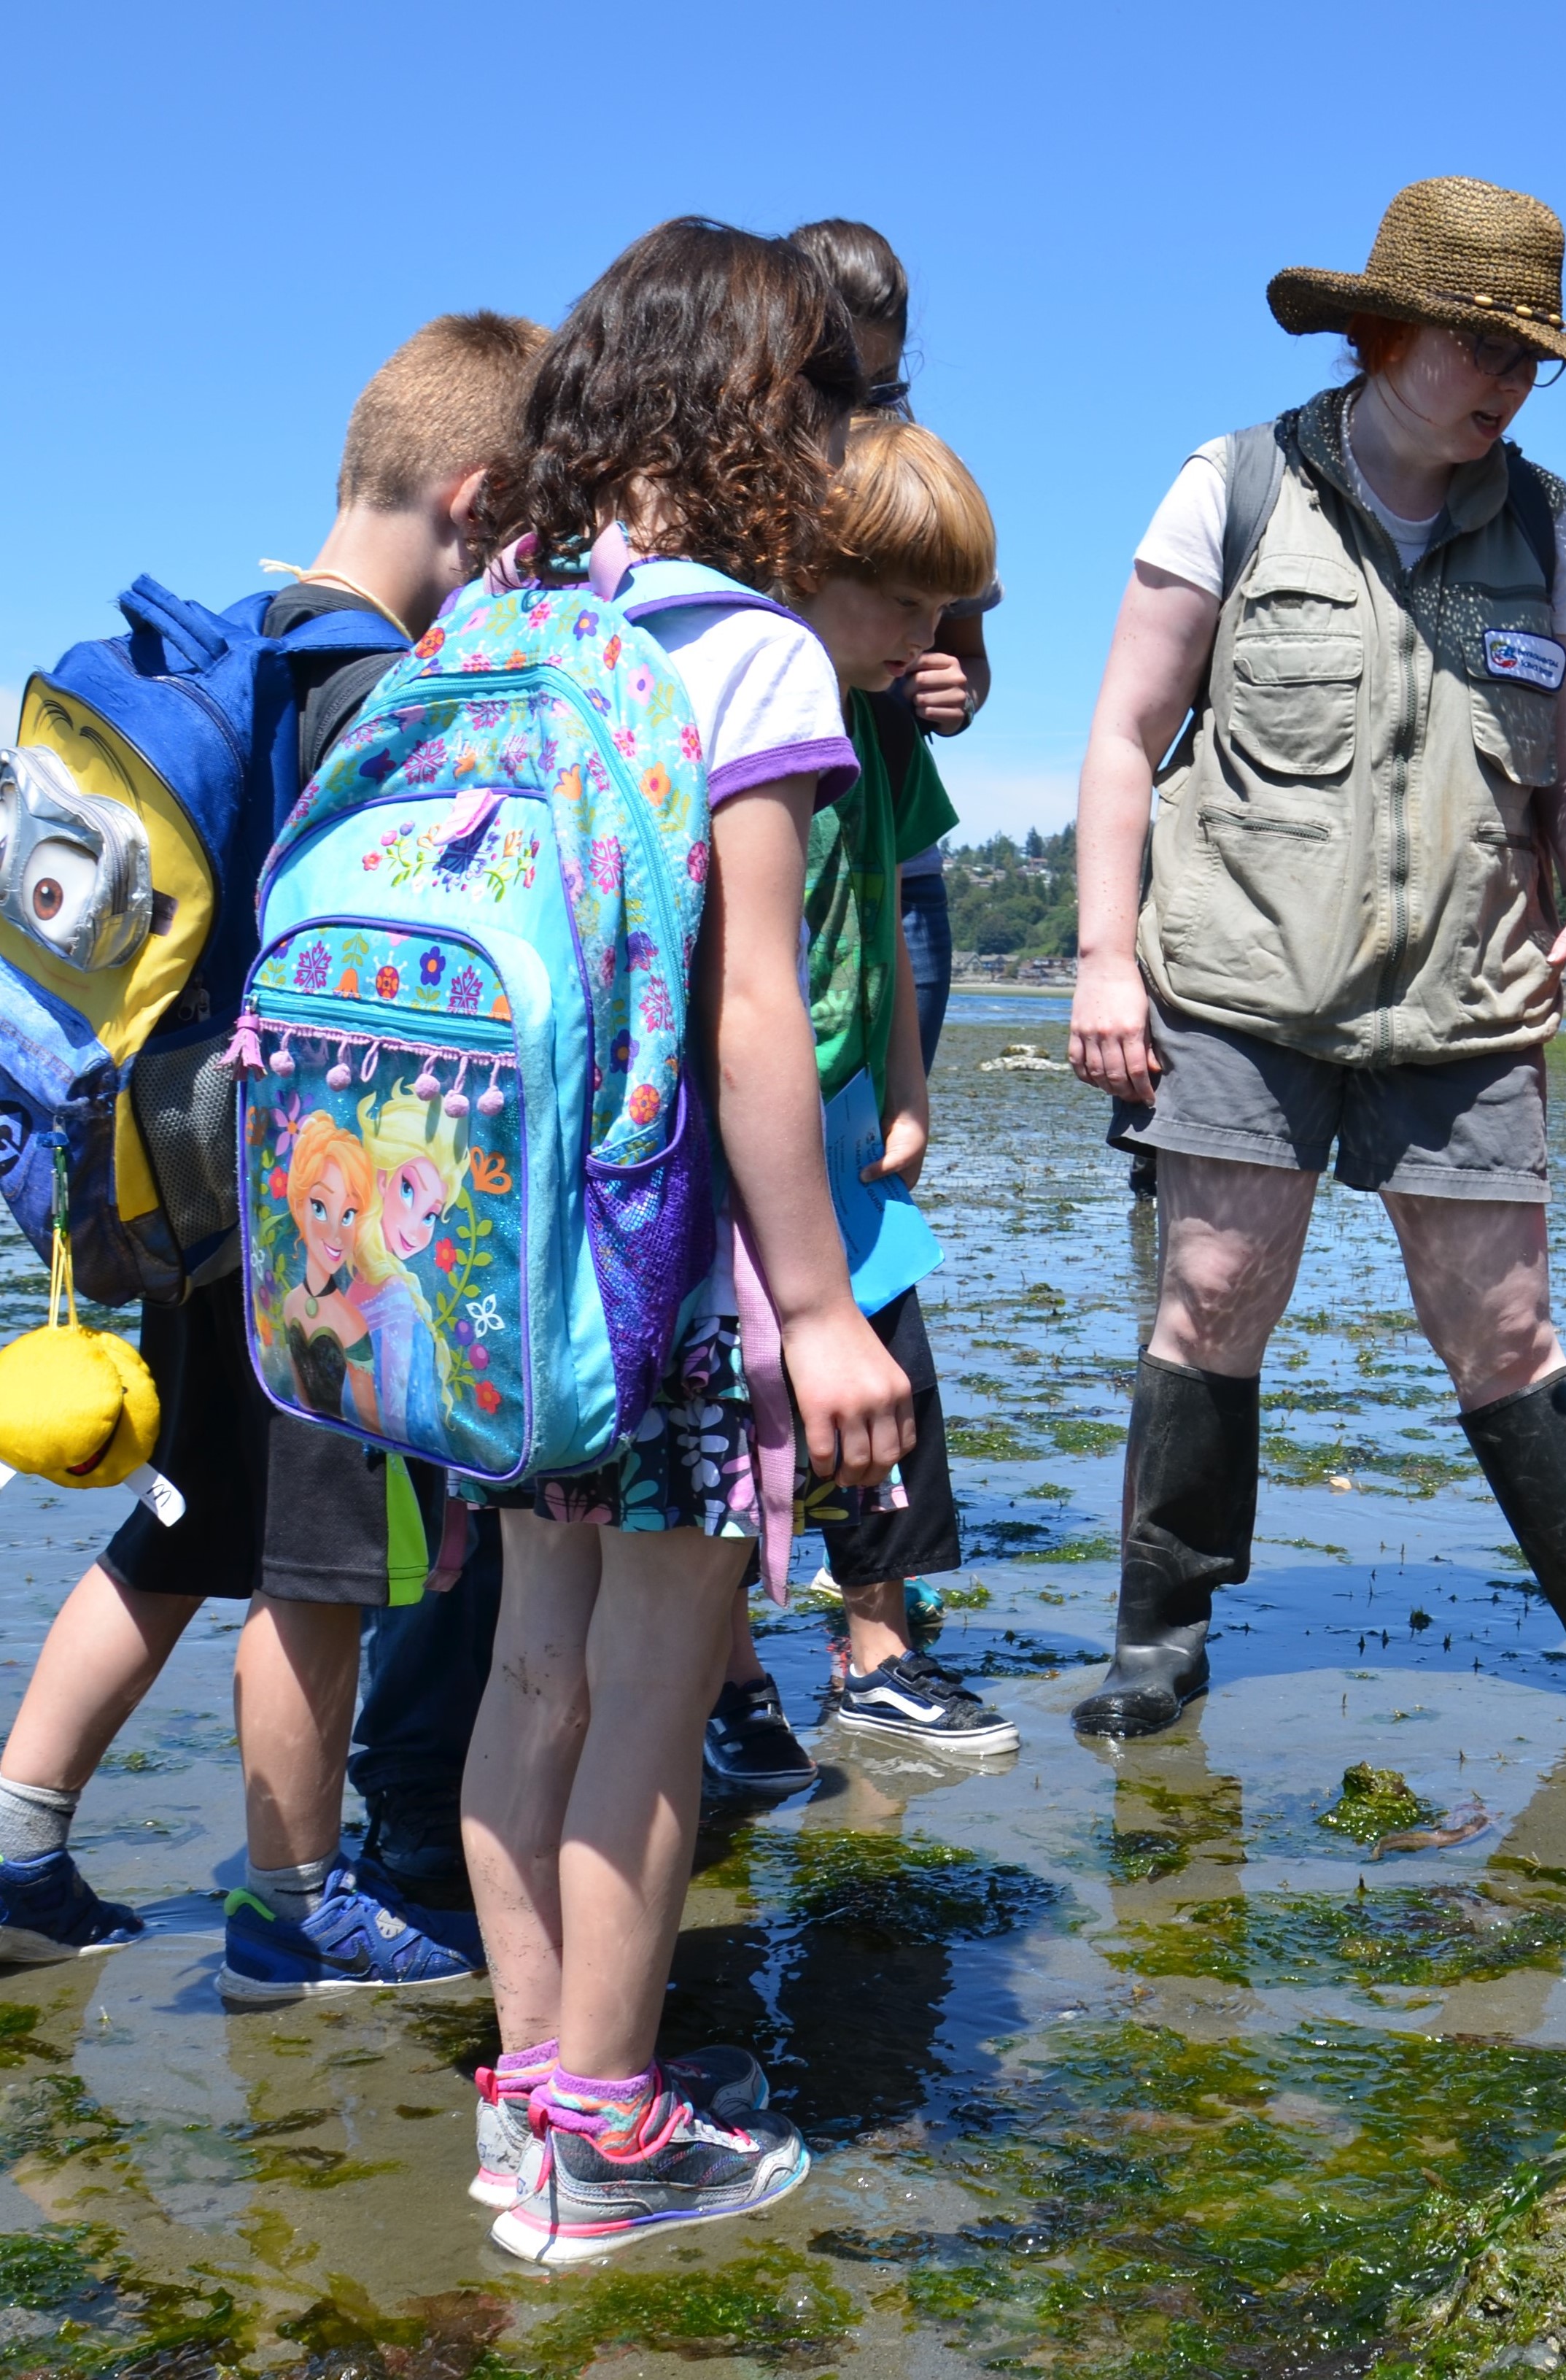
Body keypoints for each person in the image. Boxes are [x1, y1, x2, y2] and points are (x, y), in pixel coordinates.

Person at [1062, 178, 1566, 1758]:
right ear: (1380, 333)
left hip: (1467, 992)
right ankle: (1159, 1630)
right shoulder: (1232, 484)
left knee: (1504, 1324)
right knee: (1212, 1292)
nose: (1509, 380)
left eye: (1531, 357)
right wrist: (1101, 958)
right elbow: (1120, 735)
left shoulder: (1552, 525)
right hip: (1239, 976)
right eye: (1479, 344)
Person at [452, 218, 914, 2263]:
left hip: (484, 1252)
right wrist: (819, 1304)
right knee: (652, 1687)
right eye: (834, 404)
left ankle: (532, 2087)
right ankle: (613, 2135)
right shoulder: (748, 648)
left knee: (532, 1665)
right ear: (768, 416)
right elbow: (750, 1016)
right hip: (656, 1270)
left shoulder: (499, 604)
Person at [0, 314, 547, 1998]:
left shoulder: (237, 657)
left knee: (178, 1532)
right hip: (313, 1227)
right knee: (317, 1582)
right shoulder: (375, 696)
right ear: (477, 505)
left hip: (172, 1182)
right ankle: (291, 1910)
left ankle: (16, 1849)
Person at [713, 414, 1017, 1770]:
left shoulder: (883, 721)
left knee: (891, 1363)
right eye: (900, 603)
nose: (925, 638)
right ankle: (726, 1678)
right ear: (800, 564)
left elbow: (890, 903)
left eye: (944, 611)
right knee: (730, 1392)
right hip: (744, 1119)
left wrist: (908, 1083)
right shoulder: (743, 699)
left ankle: (880, 1652)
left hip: (851, 1116)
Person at [788, 217, 991, 1073]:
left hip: (898, 857)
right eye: (834, 383)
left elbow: (966, 655)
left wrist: (960, 692)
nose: (856, 411)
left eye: (879, 386)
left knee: (887, 1127)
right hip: (783, 851)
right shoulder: (743, 485)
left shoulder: (920, 486)